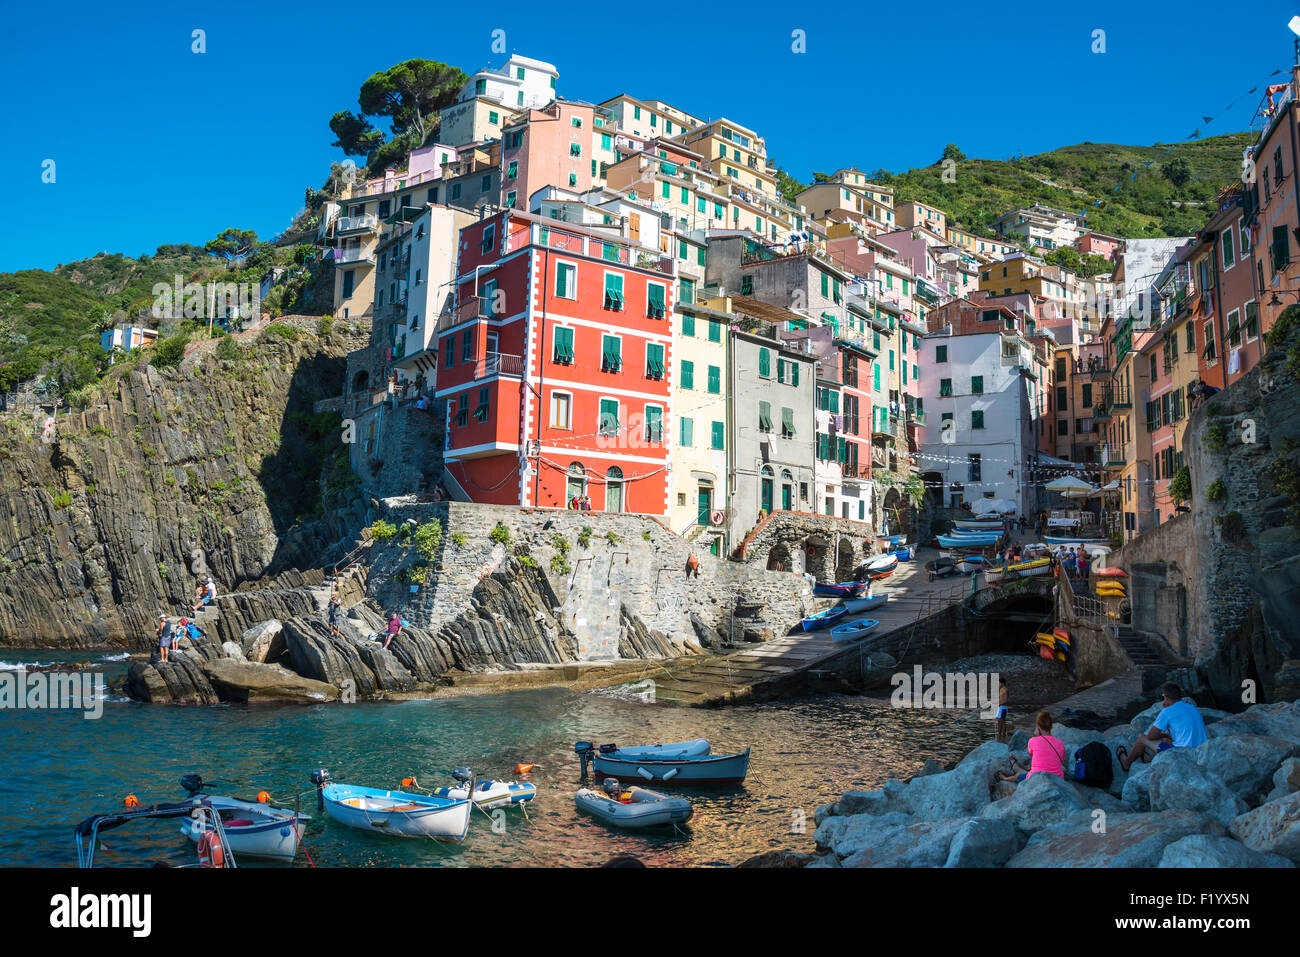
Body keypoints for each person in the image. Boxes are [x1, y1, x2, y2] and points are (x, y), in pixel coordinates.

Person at [1117, 682, 1208, 771]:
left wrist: (1164, 734)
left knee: (1142, 738)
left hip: (1181, 753)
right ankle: (1149, 759)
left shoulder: (1167, 712)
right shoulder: (1192, 708)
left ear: (1166, 697)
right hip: (1201, 752)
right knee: (1168, 738)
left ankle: (1126, 763)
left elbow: (1150, 736)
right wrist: (1166, 735)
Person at [996, 711, 1067, 783]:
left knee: (1019, 776)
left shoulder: (1033, 741)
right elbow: (1061, 760)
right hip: (1058, 779)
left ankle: (1005, 778)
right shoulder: (1060, 743)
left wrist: (1036, 735)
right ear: (1051, 727)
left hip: (1037, 777)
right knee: (1027, 772)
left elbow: (1032, 755)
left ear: (1038, 727)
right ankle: (1014, 765)